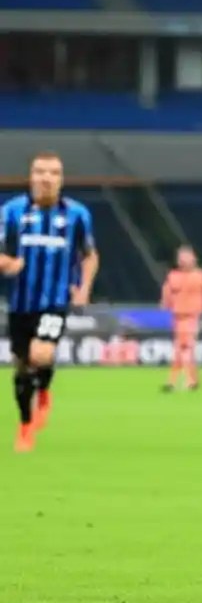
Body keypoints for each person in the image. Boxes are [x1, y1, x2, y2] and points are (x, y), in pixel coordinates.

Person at [1, 151, 97, 452]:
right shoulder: (12, 212)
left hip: (54, 300)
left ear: (61, 179)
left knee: (41, 354)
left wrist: (83, 289)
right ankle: (26, 422)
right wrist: (6, 263)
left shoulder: (77, 215)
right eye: (40, 172)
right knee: (21, 365)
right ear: (31, 177)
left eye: (53, 173)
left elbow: (90, 255)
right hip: (19, 302)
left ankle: (43, 391)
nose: (46, 178)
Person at [161, 245, 202, 393]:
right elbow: (167, 294)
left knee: (185, 348)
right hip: (178, 317)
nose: (184, 261)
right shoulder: (173, 276)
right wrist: (167, 304)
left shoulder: (200, 276)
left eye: (187, 257)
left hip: (192, 316)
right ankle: (190, 380)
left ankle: (177, 381)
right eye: (181, 258)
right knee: (183, 349)